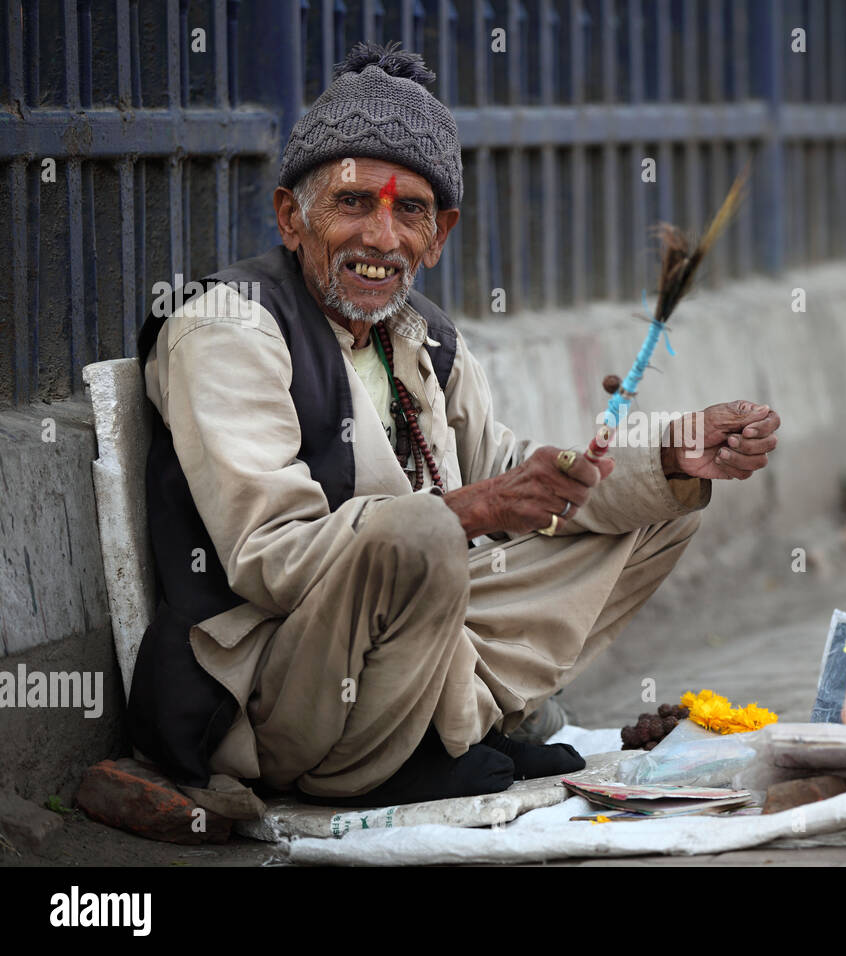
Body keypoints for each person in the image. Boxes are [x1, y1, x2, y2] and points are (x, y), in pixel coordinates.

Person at [131, 42, 781, 810]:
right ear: (291, 218)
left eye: (409, 211)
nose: (381, 238)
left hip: (410, 650)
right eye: (352, 203)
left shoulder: (422, 339)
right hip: (281, 694)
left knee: (657, 507)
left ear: (438, 235)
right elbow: (271, 559)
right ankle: (389, 761)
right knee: (423, 534)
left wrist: (672, 455)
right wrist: (470, 510)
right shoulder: (229, 329)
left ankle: (455, 728)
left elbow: (500, 471)